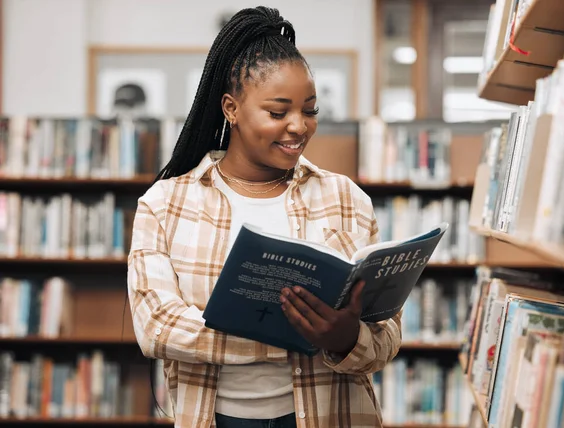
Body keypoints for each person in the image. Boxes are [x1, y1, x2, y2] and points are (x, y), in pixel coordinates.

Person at [127, 6, 402, 428]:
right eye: (278, 112)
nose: (298, 127)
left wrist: (347, 339)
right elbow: (158, 327)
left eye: (309, 110)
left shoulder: (346, 199)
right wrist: (307, 339)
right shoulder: (165, 204)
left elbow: (385, 336)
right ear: (231, 108)